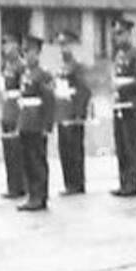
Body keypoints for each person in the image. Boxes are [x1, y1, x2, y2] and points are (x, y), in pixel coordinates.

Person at [17, 33, 55, 211]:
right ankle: (32, 194)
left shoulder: (43, 74)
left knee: (37, 160)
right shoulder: (25, 74)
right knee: (27, 161)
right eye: (24, 52)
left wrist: (47, 125)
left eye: (29, 51)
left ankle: (40, 196)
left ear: (37, 53)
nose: (26, 56)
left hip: (37, 122)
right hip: (26, 121)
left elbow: (48, 100)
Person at [109, 16, 136, 197]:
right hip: (120, 105)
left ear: (129, 34)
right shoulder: (118, 56)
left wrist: (123, 87)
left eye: (121, 33)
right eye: (116, 34)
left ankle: (132, 183)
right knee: (121, 145)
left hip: (132, 104)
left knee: (131, 144)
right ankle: (123, 181)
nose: (118, 38)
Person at [54, 29, 92, 196]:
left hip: (73, 115)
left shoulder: (78, 67)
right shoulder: (61, 67)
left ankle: (77, 184)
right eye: (61, 45)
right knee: (64, 150)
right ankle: (69, 182)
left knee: (75, 150)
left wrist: (79, 113)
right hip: (62, 113)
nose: (63, 49)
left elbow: (84, 91)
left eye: (66, 45)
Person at [0, 33, 28, 201]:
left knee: (18, 149)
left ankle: (20, 185)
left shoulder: (21, 66)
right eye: (3, 44)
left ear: (16, 46)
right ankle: (12, 185)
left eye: (8, 44)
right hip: (7, 108)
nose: (5, 48)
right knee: (8, 149)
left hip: (17, 109)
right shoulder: (7, 66)